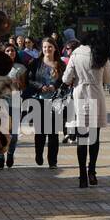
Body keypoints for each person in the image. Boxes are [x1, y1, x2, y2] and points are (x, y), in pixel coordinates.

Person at [62, 34, 110, 188]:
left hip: (81, 96)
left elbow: (66, 78)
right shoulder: (101, 54)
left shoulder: (76, 54)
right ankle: (92, 170)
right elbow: (109, 80)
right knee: (95, 137)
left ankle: (82, 174)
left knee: (82, 138)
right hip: (96, 95)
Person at [31, 37, 66, 167]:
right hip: (39, 100)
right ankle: (39, 154)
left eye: (50, 47)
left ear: (54, 48)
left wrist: (55, 86)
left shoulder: (61, 63)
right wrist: (40, 86)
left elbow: (65, 80)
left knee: (53, 133)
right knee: (40, 132)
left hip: (55, 101)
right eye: (45, 47)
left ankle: (53, 161)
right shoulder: (36, 63)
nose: (47, 49)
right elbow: (30, 80)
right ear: (42, 48)